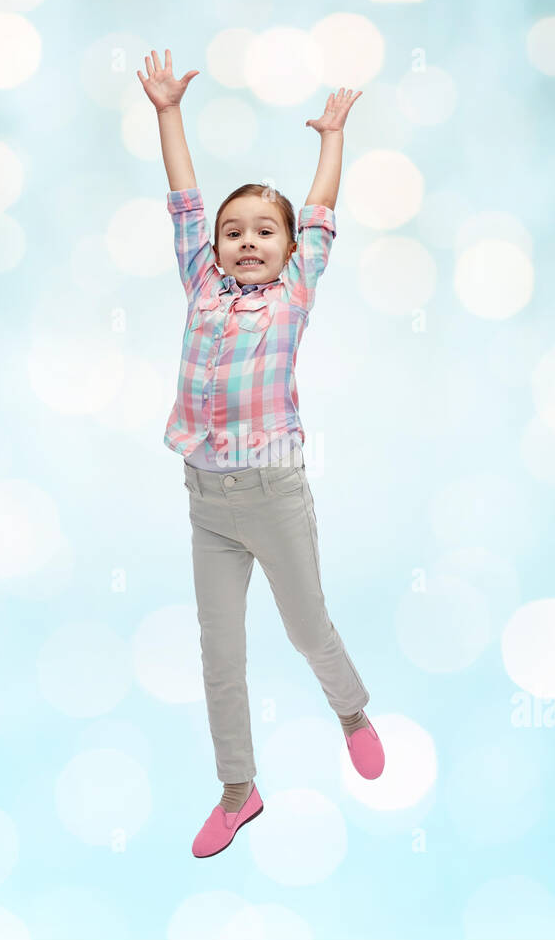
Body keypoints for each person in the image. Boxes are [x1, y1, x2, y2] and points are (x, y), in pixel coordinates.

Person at [138, 48, 385, 859]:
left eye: (264, 233)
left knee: (307, 629)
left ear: (288, 249)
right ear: (213, 249)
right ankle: (239, 791)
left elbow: (319, 209)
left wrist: (332, 138)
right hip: (205, 500)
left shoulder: (297, 292)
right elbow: (182, 198)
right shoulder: (201, 284)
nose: (247, 243)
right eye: (233, 233)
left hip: (273, 493)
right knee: (219, 652)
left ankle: (350, 711)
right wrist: (169, 113)